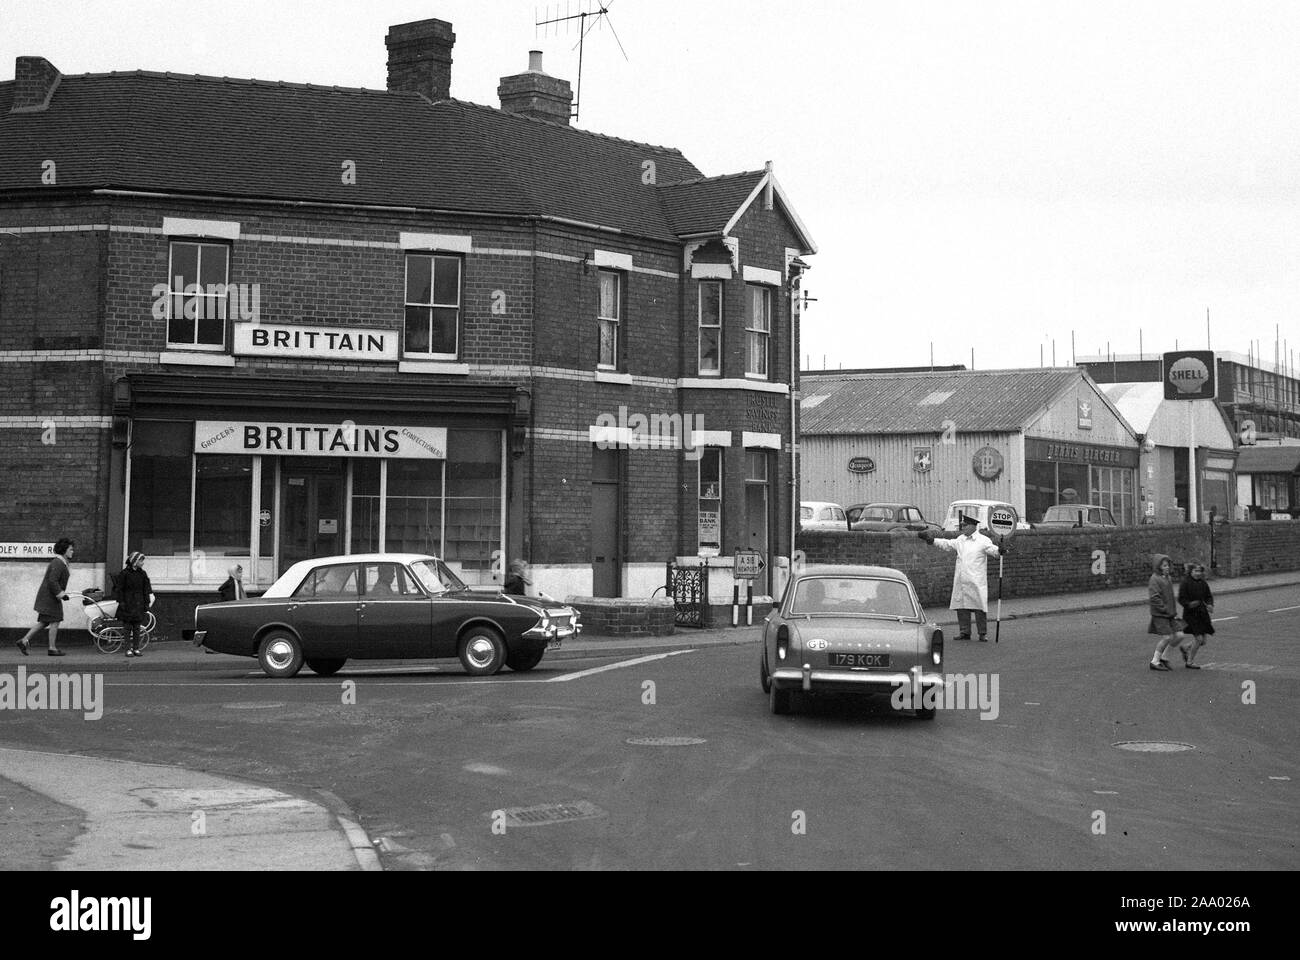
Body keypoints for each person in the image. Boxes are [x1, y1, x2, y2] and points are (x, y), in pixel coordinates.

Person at [919, 515, 1005, 641]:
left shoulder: (983, 540)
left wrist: (1000, 550)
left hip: (975, 579)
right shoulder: (961, 539)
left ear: (972, 526)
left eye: (965, 525)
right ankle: (964, 632)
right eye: (962, 525)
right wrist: (932, 540)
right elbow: (948, 544)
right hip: (961, 579)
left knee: (979, 606)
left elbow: (993, 551)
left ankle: (982, 633)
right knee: (962, 606)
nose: (962, 527)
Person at [15, 537, 75, 657]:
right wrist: (61, 594)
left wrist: (61, 594)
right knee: (56, 620)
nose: (72, 551)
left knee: (44, 622)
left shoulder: (60, 562)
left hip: (49, 596)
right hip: (50, 597)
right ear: (64, 550)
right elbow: (52, 581)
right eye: (71, 549)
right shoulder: (58, 563)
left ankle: (23, 641)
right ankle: (52, 648)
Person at [1147, 554, 1187, 671]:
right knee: (1167, 637)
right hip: (1160, 614)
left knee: (1179, 635)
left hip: (1170, 614)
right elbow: (1154, 598)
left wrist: (1173, 612)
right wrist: (1165, 609)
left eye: (1168, 565)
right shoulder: (1154, 579)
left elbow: (1170, 597)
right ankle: (1154, 662)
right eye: (1164, 565)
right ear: (1158, 567)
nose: (1167, 567)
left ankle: (1164, 657)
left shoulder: (1167, 578)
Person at [117, 551, 154, 659]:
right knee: (127, 627)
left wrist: (146, 603)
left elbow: (146, 589)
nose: (142, 563)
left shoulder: (143, 574)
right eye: (141, 560)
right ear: (134, 561)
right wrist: (122, 602)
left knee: (137, 627)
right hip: (128, 603)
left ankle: (136, 648)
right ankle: (128, 649)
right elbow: (119, 589)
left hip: (139, 603)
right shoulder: (124, 574)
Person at [1177, 562, 1214, 669]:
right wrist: (1189, 604)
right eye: (1195, 571)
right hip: (1191, 615)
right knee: (1199, 639)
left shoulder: (1203, 583)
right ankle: (1189, 662)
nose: (1198, 573)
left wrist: (1210, 604)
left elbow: (1208, 596)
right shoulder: (1185, 583)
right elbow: (1181, 598)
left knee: (1203, 641)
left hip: (1202, 614)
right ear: (1190, 571)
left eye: (1200, 571)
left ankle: (1185, 647)